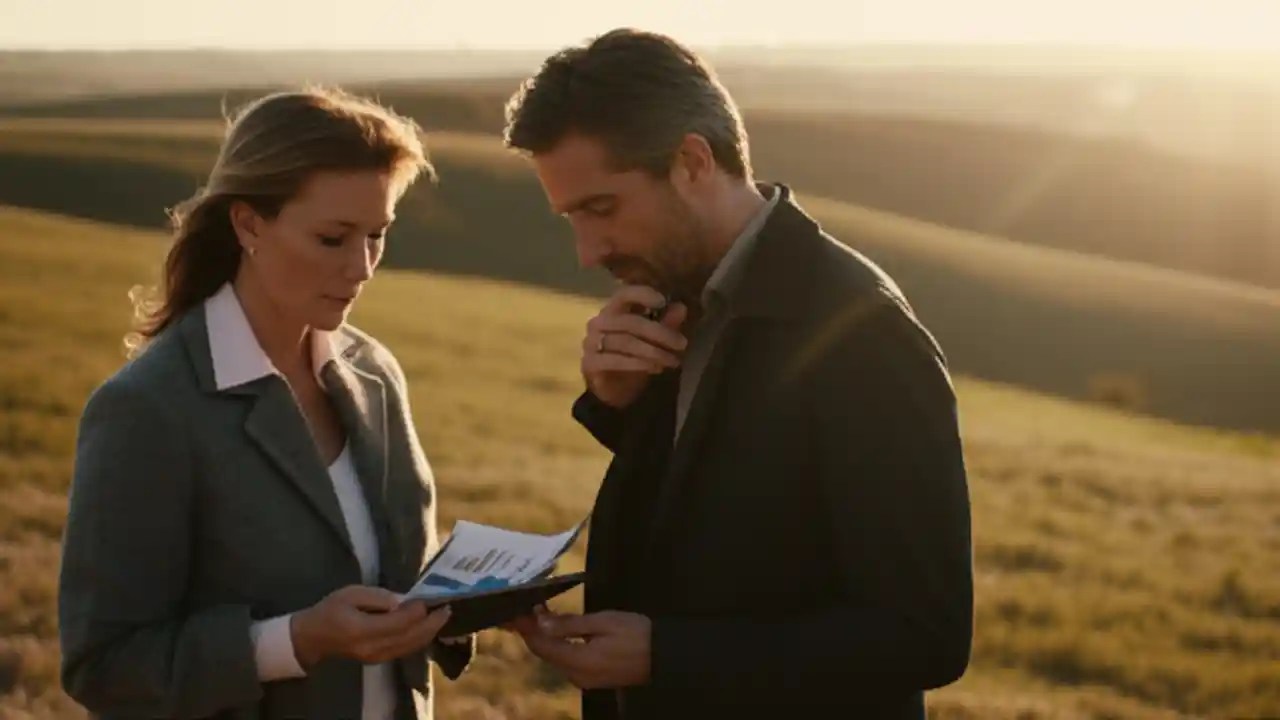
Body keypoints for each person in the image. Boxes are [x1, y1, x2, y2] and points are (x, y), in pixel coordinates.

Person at [502, 29, 973, 719]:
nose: (587, 251)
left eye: (601, 209)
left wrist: (667, 657)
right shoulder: (677, 293)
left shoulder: (862, 337)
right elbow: (741, 505)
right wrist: (621, 407)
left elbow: (923, 635)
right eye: (572, 218)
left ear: (692, 161)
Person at [58, 87, 472, 720]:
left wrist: (476, 600)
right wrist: (296, 640)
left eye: (378, 235)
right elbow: (107, 665)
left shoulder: (375, 373)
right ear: (249, 223)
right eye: (333, 238)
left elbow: (405, 574)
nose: (362, 268)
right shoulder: (147, 411)